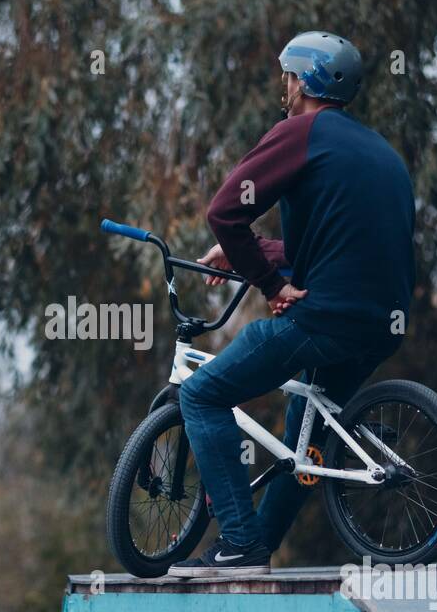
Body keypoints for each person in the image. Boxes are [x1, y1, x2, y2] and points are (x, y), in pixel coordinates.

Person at [170, 31, 416, 578]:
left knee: (203, 395)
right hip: (381, 322)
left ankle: (237, 541)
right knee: (304, 439)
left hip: (324, 317)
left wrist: (269, 283)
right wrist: (255, 255)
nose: (283, 85)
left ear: (303, 81)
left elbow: (224, 213)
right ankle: (256, 550)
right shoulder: (380, 153)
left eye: (287, 74)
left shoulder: (300, 132)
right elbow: (338, 244)